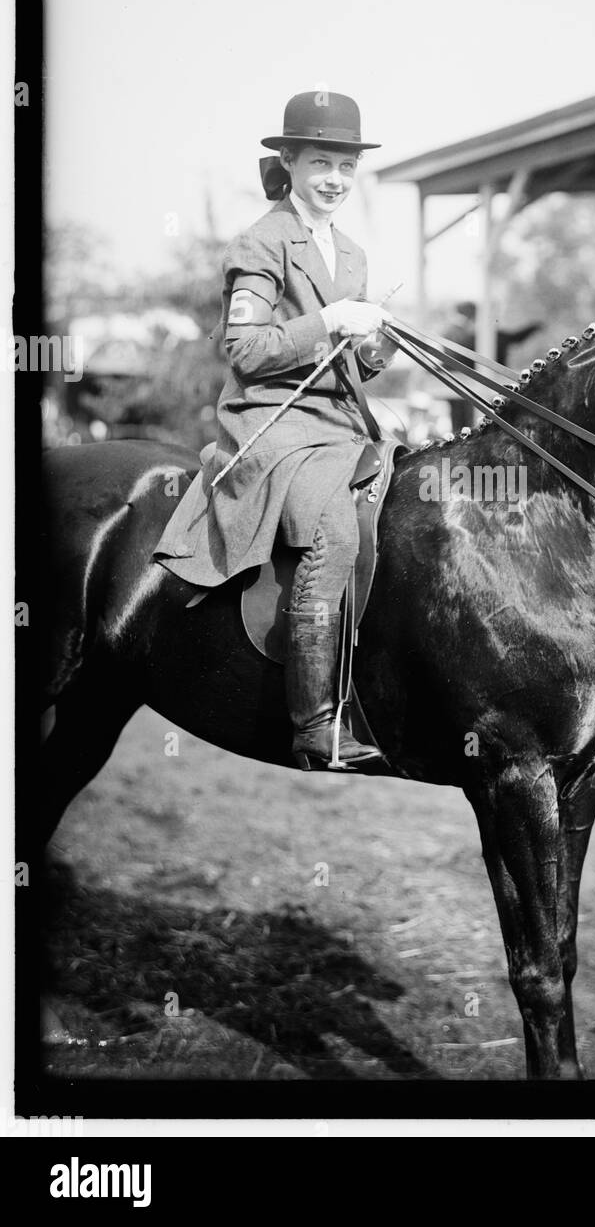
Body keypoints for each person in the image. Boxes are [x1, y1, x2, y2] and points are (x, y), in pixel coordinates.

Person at [154, 91, 395, 772]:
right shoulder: (259, 243)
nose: (334, 179)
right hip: (271, 428)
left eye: (345, 167)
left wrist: (373, 347)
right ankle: (316, 725)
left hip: (337, 424)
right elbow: (248, 351)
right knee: (335, 530)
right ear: (287, 162)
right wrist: (332, 321)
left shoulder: (350, 253)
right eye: (321, 161)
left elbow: (343, 363)